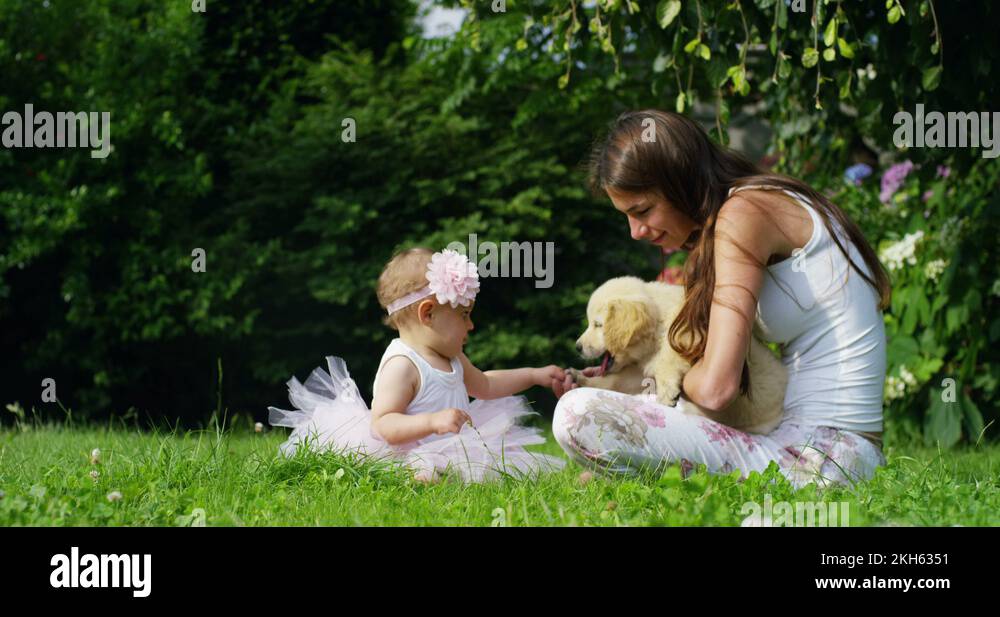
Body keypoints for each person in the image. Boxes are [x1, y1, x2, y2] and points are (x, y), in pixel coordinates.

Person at [550, 110, 891, 489]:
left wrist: (664, 375)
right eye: (627, 217)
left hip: (827, 456)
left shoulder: (743, 214)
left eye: (643, 211)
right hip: (800, 438)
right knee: (623, 409)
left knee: (576, 414)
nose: (636, 232)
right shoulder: (750, 205)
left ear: (680, 180)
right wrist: (643, 380)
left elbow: (715, 389)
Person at [269, 247, 567, 483]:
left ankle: (568, 475)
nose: (472, 325)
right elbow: (383, 423)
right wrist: (431, 422)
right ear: (428, 314)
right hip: (414, 447)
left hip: (457, 445)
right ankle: (424, 478)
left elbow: (486, 385)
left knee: (508, 459)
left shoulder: (452, 357)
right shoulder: (403, 365)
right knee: (423, 464)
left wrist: (534, 374)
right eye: (463, 315)